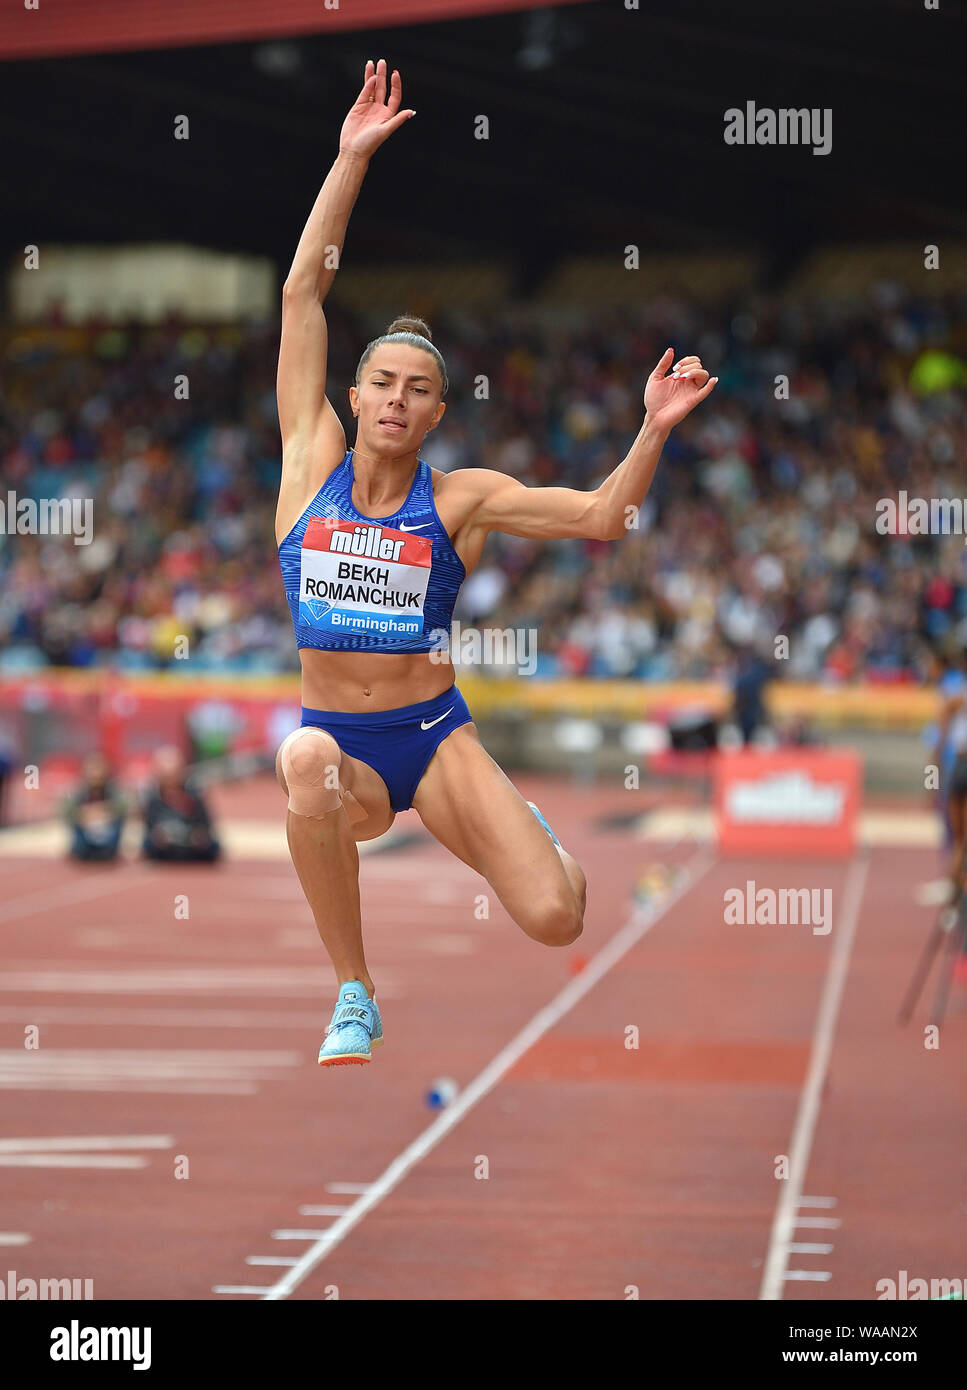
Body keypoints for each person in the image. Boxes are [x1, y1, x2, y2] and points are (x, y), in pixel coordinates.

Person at [275, 58, 718, 1066]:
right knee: (298, 758)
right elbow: (304, 291)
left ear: (435, 411)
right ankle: (354, 988)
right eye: (379, 381)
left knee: (557, 917)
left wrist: (650, 430)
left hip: (433, 738)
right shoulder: (308, 471)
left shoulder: (461, 499)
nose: (394, 398)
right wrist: (348, 161)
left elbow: (605, 518)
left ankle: (530, 840)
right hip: (341, 752)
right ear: (354, 396)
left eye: (416, 388)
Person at [142, 746, 221, 863]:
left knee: (213, 846)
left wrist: (197, 836)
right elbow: (149, 832)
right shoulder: (153, 800)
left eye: (173, 774)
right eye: (166, 775)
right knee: (148, 845)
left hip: (193, 850)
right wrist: (159, 836)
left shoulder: (194, 796)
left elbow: (206, 829)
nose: (170, 780)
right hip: (165, 851)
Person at [65, 752, 126, 862]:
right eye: (92, 768)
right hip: (85, 837)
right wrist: (84, 815)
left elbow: (123, 809)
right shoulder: (77, 793)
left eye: (99, 768)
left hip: (108, 837)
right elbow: (68, 812)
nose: (96, 773)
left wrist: (101, 812)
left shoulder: (115, 792)